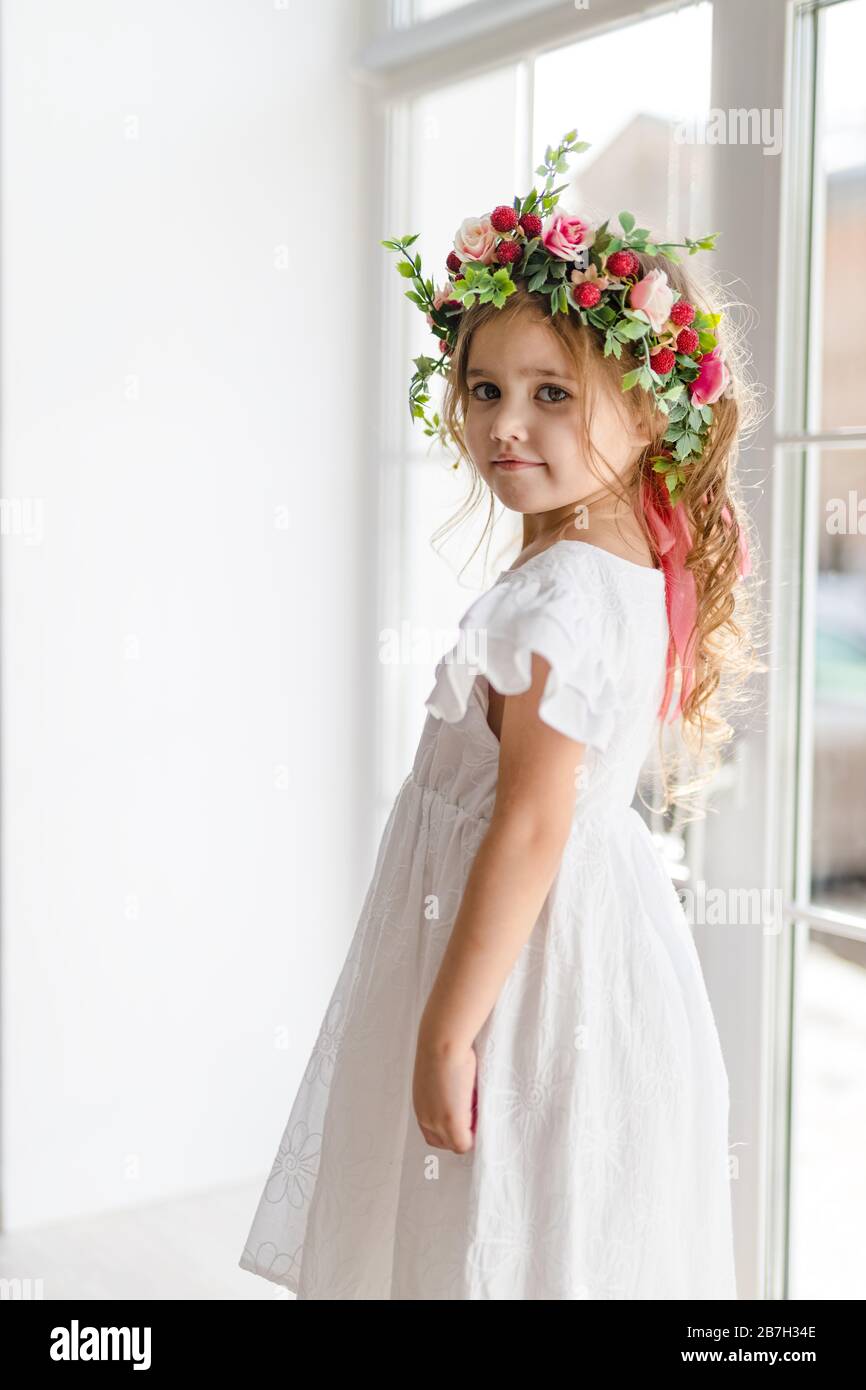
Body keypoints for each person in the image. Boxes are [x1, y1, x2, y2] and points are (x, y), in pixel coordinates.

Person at [238, 129, 762, 1300]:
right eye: (484, 390)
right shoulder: (621, 561)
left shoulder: (559, 597)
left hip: (527, 970)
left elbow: (528, 827)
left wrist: (444, 1029)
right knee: (545, 1236)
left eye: (550, 395)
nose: (505, 425)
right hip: (586, 945)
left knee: (492, 1229)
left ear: (644, 409)